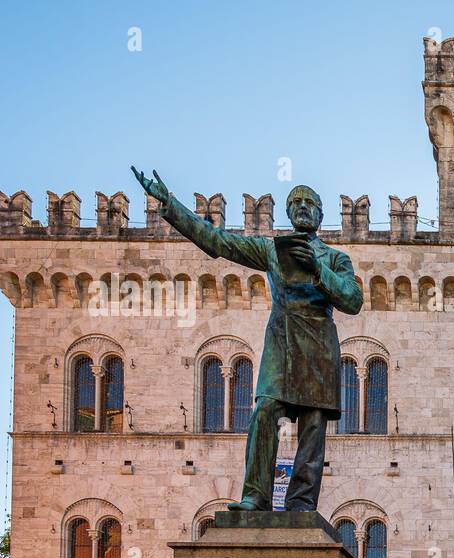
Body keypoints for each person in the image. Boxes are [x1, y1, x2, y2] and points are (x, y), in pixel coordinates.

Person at [131, 168, 363, 513]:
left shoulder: (334, 258)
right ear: (288, 212)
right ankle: (256, 496)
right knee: (265, 412)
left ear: (320, 214)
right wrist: (170, 206)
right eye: (295, 201)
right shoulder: (272, 251)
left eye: (309, 202)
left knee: (313, 426)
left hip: (318, 347)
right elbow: (219, 243)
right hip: (282, 344)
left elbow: (352, 299)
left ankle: (301, 503)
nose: (302, 207)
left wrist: (317, 268)